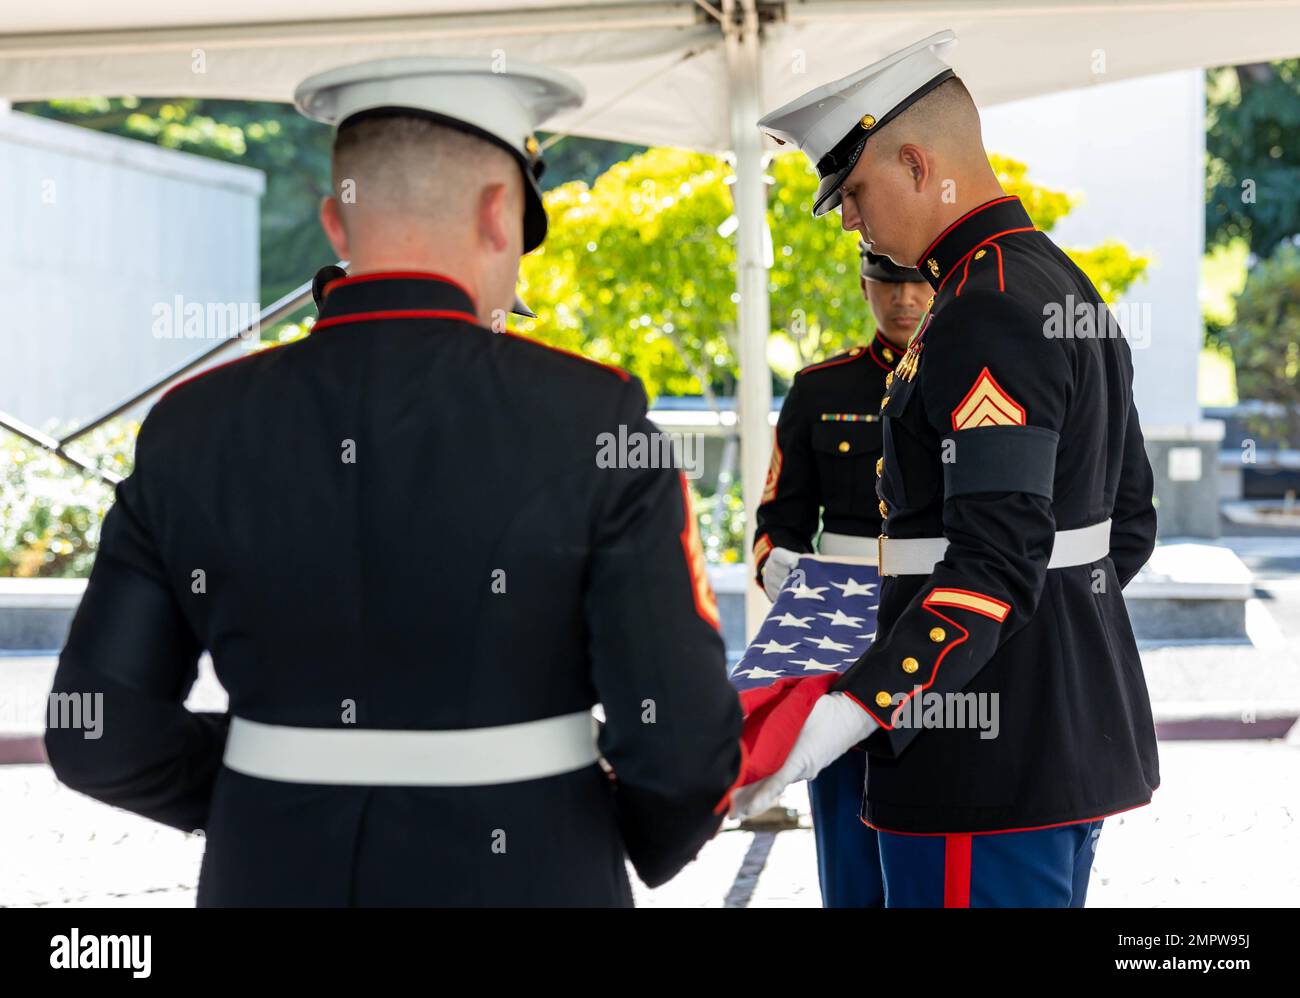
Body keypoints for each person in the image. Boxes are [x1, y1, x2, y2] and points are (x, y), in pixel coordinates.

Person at [45, 56, 743, 907]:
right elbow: (686, 743)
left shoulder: (194, 423)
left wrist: (266, 791)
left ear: (337, 226)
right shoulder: (593, 415)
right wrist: (611, 830)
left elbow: (95, 730)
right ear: (499, 212)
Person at [737, 29, 1159, 908]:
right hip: (1035, 739)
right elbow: (1127, 520)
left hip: (979, 756)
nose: (849, 218)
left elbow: (995, 563)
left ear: (920, 165)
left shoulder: (986, 306)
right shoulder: (1053, 282)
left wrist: (848, 714)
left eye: (852, 190)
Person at [752, 245, 929, 907]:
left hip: (931, 603)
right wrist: (779, 563)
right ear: (864, 286)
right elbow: (780, 514)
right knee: (837, 791)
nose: (903, 300)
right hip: (834, 603)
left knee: (931, 783)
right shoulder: (820, 388)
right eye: (888, 284)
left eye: (916, 285)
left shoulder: (966, 380)